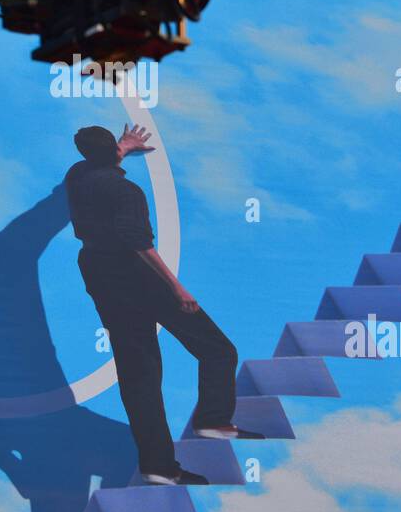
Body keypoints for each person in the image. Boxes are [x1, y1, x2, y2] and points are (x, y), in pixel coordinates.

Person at [64, 123, 262, 487]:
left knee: (139, 376)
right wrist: (177, 288)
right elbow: (138, 242)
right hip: (138, 276)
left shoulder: (77, 177)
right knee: (218, 350)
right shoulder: (127, 191)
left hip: (99, 276)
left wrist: (122, 146)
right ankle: (213, 420)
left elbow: (101, 162)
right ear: (110, 153)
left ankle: (158, 467)